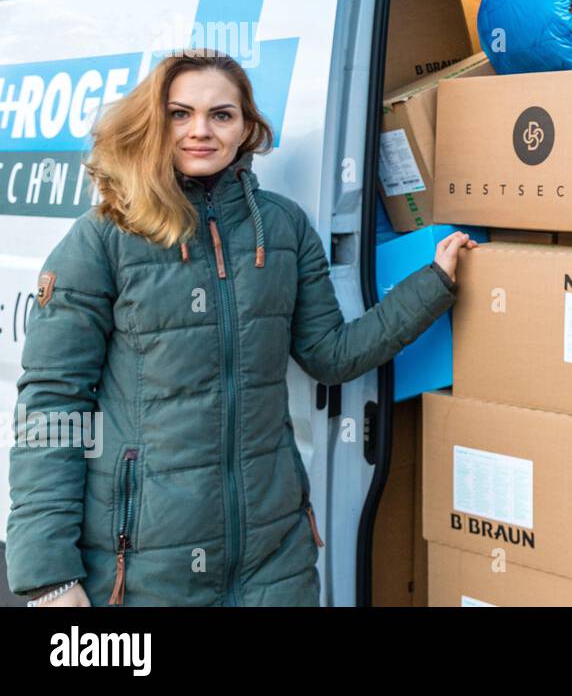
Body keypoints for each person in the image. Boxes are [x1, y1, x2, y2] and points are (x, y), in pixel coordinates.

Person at [7, 48, 475, 606]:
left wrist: (432, 285)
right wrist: (50, 576)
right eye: (180, 114)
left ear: (247, 127)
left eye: (221, 115)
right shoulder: (106, 236)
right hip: (149, 567)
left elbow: (330, 353)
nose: (200, 131)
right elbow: (54, 406)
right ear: (156, 123)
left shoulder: (280, 226)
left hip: (273, 558)